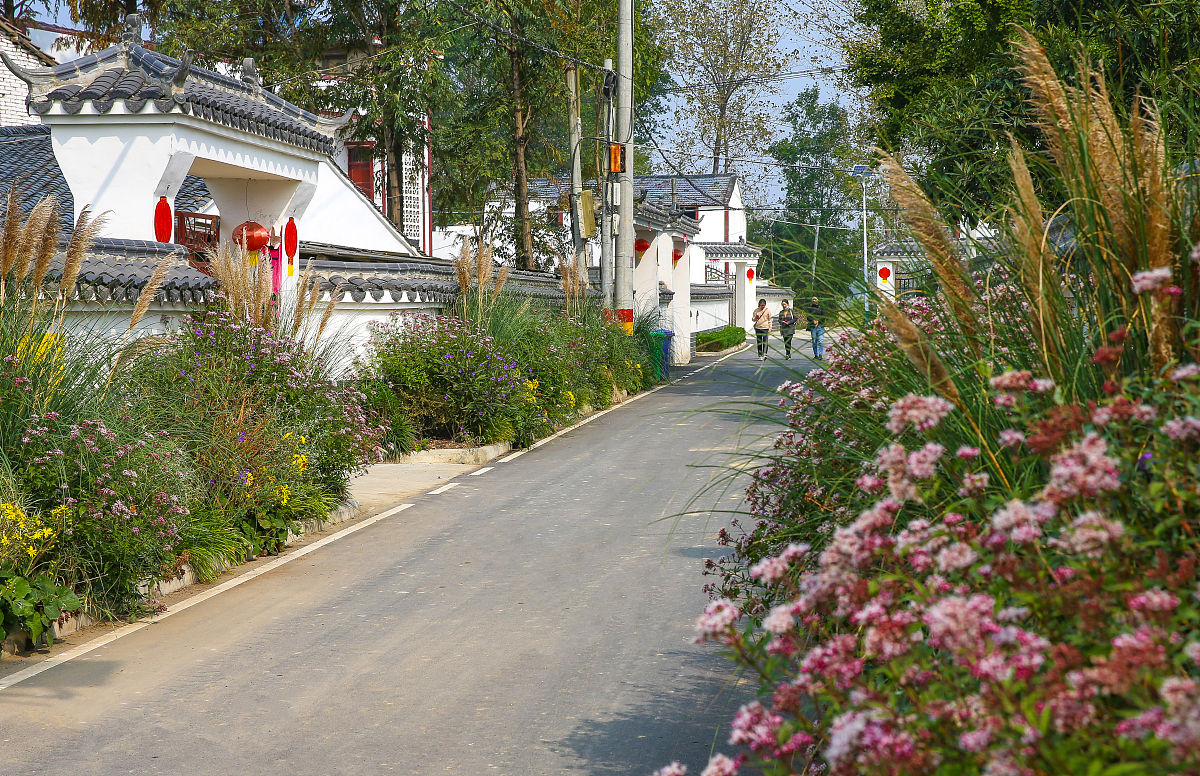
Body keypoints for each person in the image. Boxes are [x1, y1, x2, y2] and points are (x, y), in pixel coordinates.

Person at [806, 296, 826, 360]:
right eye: (813, 299)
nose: (814, 300)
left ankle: (820, 354)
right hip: (813, 326)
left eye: (815, 299)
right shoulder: (810, 308)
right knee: (814, 341)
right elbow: (808, 317)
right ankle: (816, 355)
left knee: (820, 340)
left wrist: (818, 321)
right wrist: (813, 320)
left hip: (820, 326)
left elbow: (823, 316)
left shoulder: (821, 308)